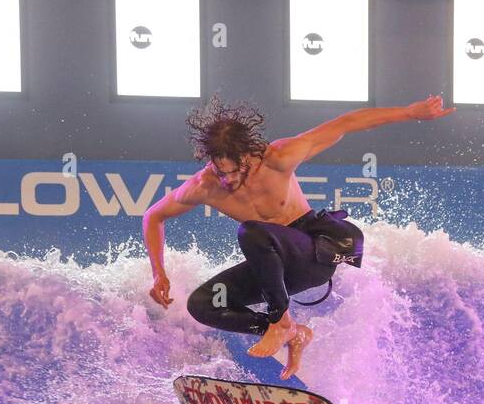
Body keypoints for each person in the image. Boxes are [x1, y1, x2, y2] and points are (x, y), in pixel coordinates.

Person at [144, 93, 455, 380]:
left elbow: (345, 124)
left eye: (235, 171)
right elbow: (153, 217)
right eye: (220, 171)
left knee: (250, 231)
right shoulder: (204, 186)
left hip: (313, 254)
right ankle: (291, 331)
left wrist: (408, 112)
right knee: (204, 304)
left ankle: (279, 320)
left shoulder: (279, 157)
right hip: (275, 271)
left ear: (250, 155)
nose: (227, 180)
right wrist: (159, 272)